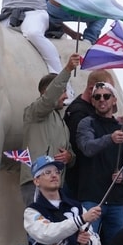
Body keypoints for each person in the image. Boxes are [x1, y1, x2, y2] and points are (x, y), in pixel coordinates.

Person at [70, 82, 123, 244]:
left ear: (114, 100)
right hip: (91, 197)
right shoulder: (86, 123)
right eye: (97, 96)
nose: (102, 99)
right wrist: (109, 139)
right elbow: (87, 147)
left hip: (117, 200)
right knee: (87, 244)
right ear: (93, 101)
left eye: (106, 96)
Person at [19, 53, 80, 205]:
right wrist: (67, 70)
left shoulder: (62, 122)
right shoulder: (34, 112)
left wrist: (69, 157)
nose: (66, 96)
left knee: (53, 229)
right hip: (36, 182)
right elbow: (49, 99)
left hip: (56, 186)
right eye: (63, 91)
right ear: (48, 92)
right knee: (38, 228)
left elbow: (71, 154)